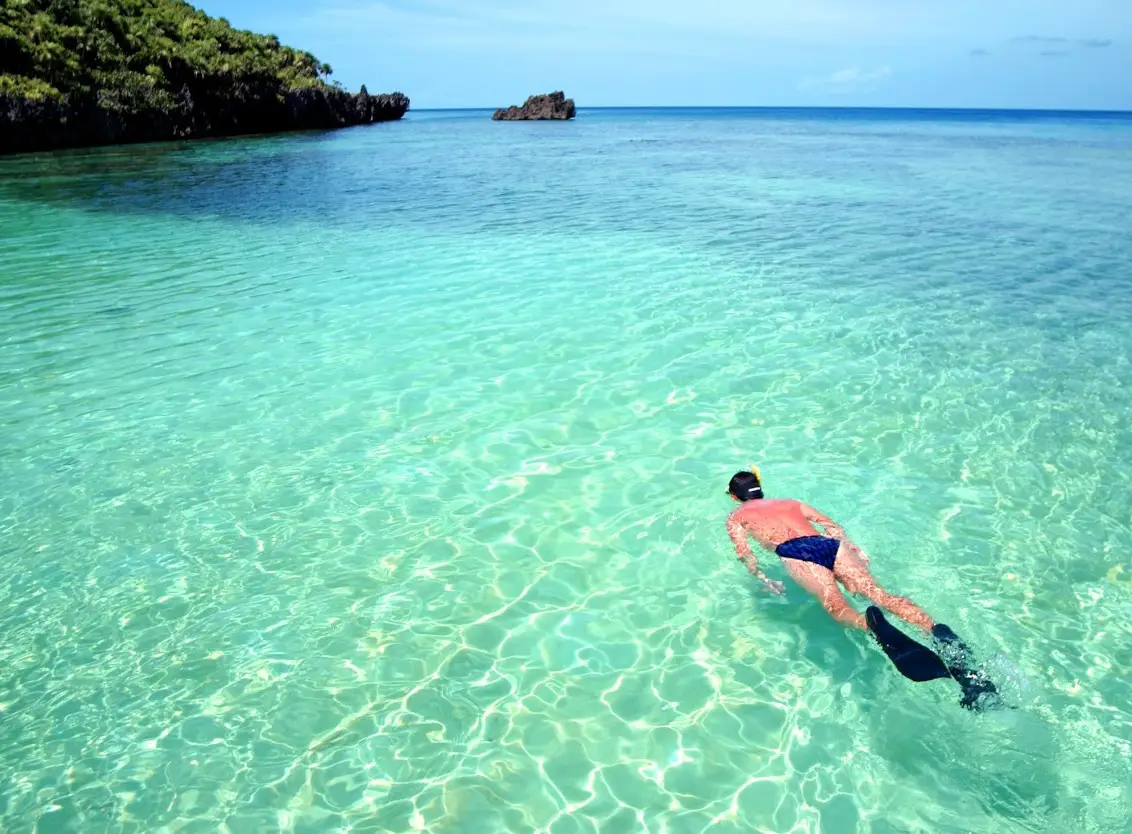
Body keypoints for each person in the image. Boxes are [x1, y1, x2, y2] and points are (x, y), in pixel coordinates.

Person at [725, 466, 1000, 710]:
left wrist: (762, 577)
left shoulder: (736, 517)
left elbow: (744, 553)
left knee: (836, 606)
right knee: (880, 594)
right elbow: (831, 526)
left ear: (735, 496)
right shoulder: (792, 502)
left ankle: (870, 624)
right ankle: (934, 630)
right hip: (829, 545)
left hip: (796, 552)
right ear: (761, 490)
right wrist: (852, 546)